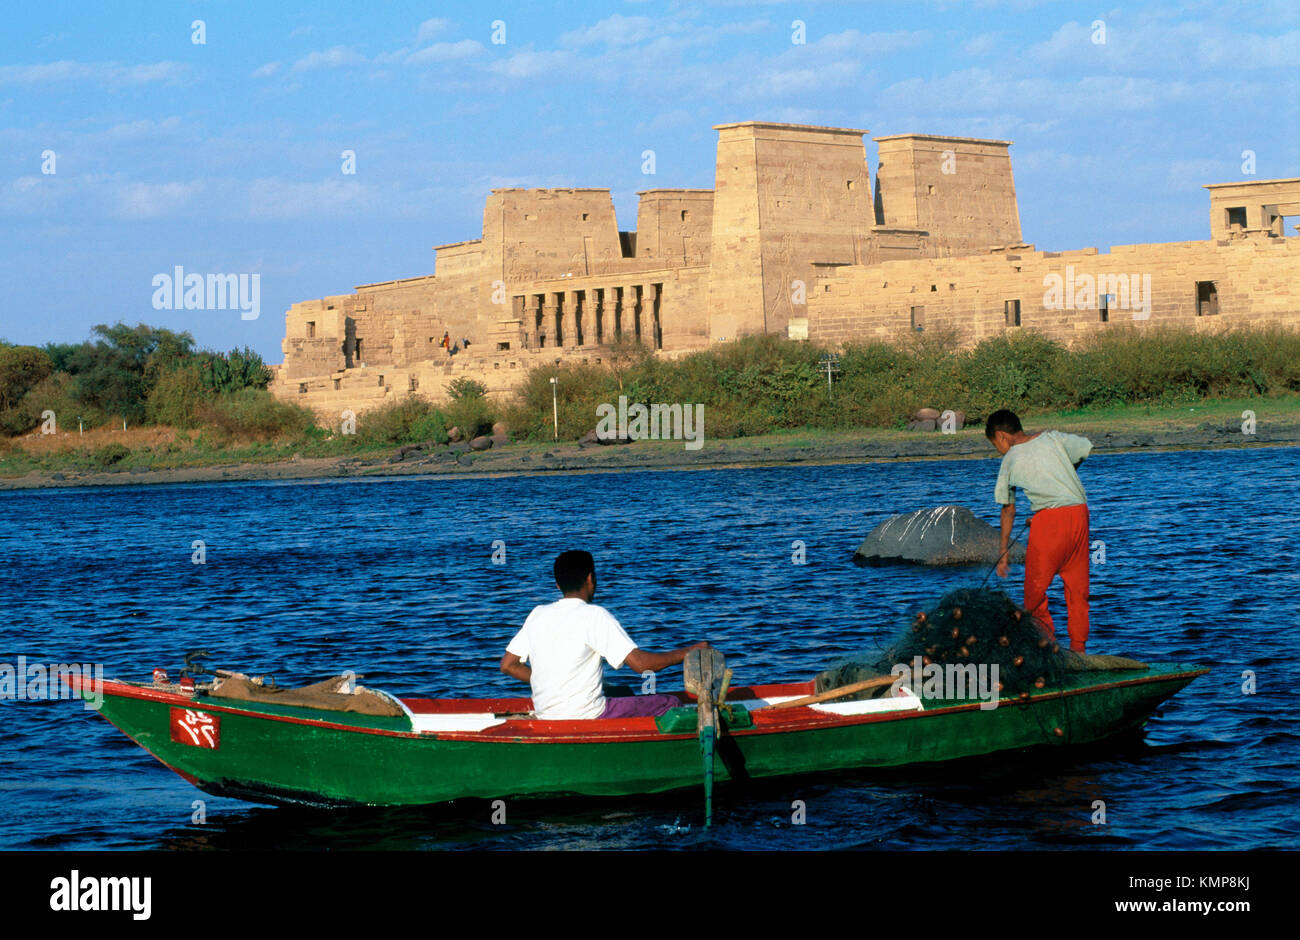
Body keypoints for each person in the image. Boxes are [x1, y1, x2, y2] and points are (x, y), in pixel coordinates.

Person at [500, 550, 708, 719]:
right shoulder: (595, 615)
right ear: (590, 579)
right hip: (587, 715)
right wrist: (690, 651)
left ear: (557, 584)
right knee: (670, 703)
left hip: (547, 713)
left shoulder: (537, 614)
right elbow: (642, 665)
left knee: (623, 692)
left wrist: (547, 682)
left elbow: (508, 665)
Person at [985, 409, 1093, 652]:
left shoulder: (1010, 459)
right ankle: (1079, 649)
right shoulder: (1052, 437)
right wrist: (1066, 472)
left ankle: (1046, 647)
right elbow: (1085, 446)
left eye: (995, 445)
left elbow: (1008, 510)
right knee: (1077, 589)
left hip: (1050, 523)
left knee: (1034, 594)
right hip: (1079, 514)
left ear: (1002, 436)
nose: (998, 450)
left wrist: (1003, 551)